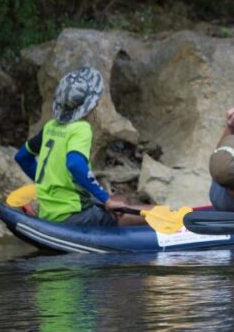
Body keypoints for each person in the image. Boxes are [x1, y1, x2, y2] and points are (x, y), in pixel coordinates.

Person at [13, 67, 142, 226]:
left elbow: (22, 157)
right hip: (73, 214)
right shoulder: (81, 128)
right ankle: (175, 228)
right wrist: (106, 200)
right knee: (124, 212)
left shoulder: (50, 127)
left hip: (48, 212)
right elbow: (75, 164)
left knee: (122, 200)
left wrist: (47, 183)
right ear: (90, 106)